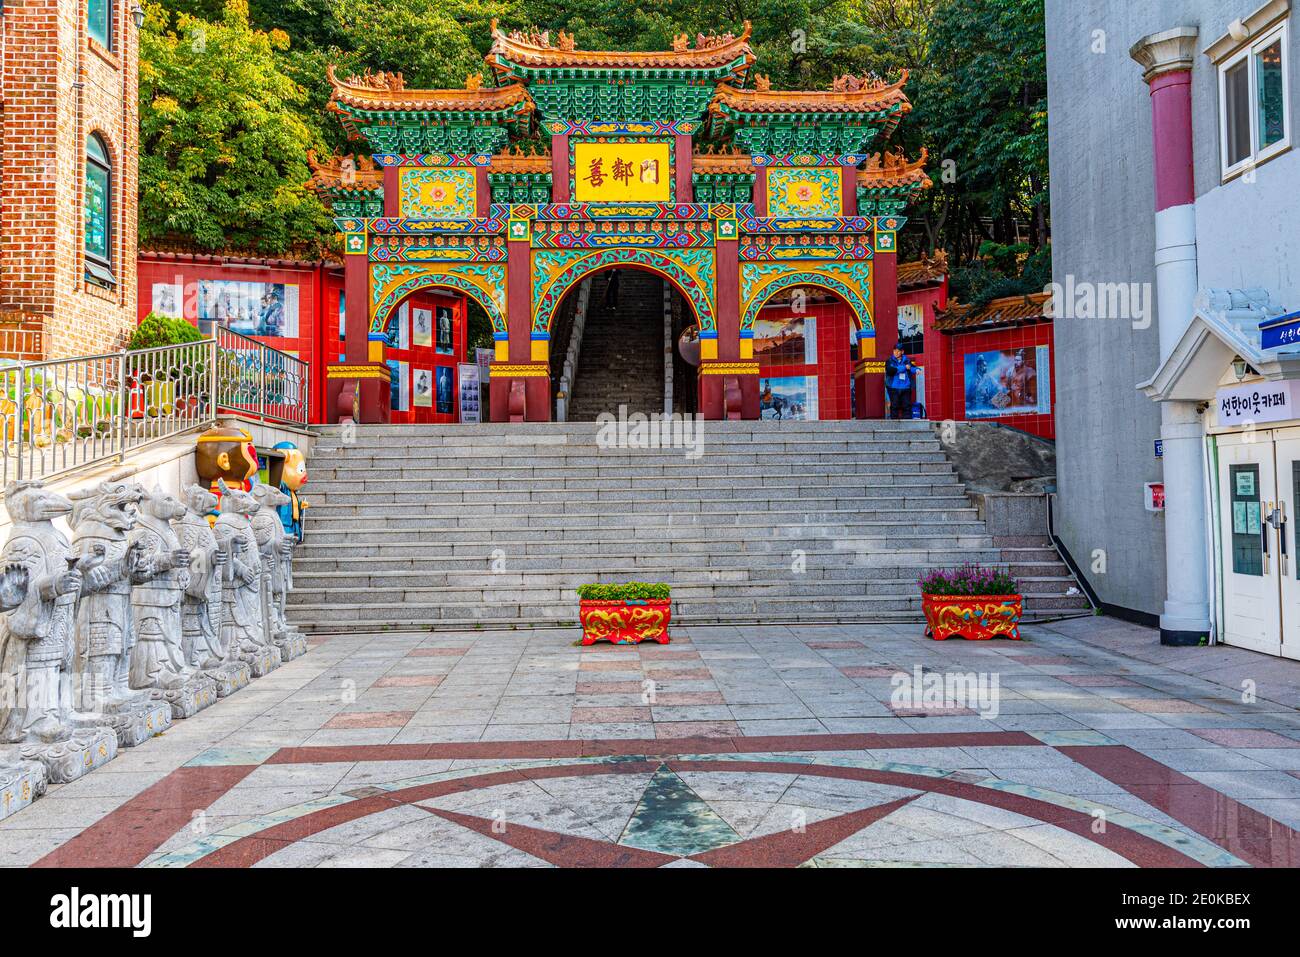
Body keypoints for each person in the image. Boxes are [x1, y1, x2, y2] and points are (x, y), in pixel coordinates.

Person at [884, 346, 917, 419]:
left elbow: (912, 367)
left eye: (898, 351)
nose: (896, 352)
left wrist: (917, 370)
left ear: (902, 352)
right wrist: (904, 367)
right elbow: (890, 371)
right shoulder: (889, 361)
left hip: (906, 387)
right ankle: (894, 426)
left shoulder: (906, 360)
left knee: (907, 406)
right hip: (894, 388)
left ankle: (907, 426)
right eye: (894, 351)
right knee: (894, 406)